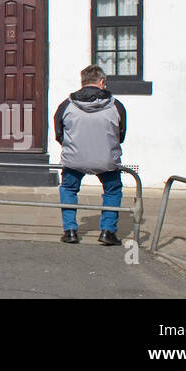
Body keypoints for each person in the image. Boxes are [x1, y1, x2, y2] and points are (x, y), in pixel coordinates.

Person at [54, 65, 128, 246]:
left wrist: (72, 146)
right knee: (112, 189)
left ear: (83, 82)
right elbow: (121, 134)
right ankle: (107, 232)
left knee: (69, 188)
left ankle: (70, 231)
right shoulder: (116, 105)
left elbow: (58, 133)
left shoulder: (67, 105)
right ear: (102, 82)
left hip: (74, 158)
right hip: (106, 159)